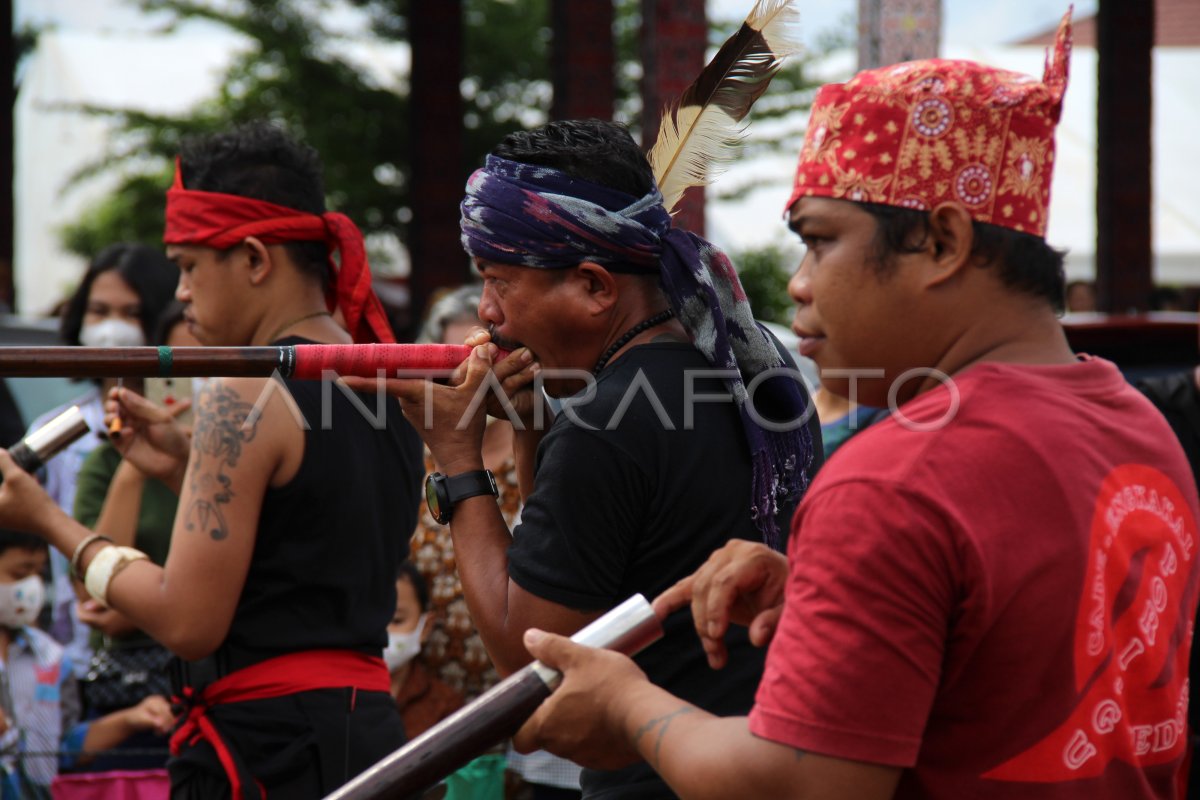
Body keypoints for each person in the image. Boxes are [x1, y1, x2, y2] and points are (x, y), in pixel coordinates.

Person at [512, 14, 1200, 799]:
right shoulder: (1138, 423)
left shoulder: (895, 479)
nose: (798, 284)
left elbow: (805, 786)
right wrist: (825, 588)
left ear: (942, 244)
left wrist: (628, 705)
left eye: (820, 240)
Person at [365, 117, 823, 799]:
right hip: (756, 758)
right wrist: (532, 426)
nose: (487, 313)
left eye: (499, 281)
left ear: (594, 286)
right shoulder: (748, 358)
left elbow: (533, 664)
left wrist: (457, 458)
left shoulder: (608, 421)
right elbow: (576, 567)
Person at [0, 122, 426, 799]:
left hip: (268, 749)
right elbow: (308, 531)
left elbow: (188, 622)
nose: (182, 292)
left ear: (254, 259)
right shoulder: (380, 375)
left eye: (189, 265)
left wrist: (49, 521)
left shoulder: (243, 392)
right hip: (367, 735)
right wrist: (182, 467)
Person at [27, 243, 178, 678]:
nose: (113, 328)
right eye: (99, 311)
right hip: (78, 659)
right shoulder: (52, 433)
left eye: (131, 313)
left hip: (175, 646)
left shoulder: (184, 430)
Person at [68, 301, 200, 772]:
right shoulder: (108, 461)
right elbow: (93, 592)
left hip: (217, 675)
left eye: (210, 368)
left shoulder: (247, 459)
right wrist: (136, 463)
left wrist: (142, 603)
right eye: (180, 370)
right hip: (132, 689)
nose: (196, 384)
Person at [0, 529, 173, 796]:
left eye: (39, 573)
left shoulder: (51, 657)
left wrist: (131, 719)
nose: (31, 586)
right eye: (20, 574)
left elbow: (63, 747)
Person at [387, 560, 463, 738]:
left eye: (396, 620)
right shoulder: (338, 695)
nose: (382, 632)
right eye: (372, 619)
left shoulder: (444, 706)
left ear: (425, 627)